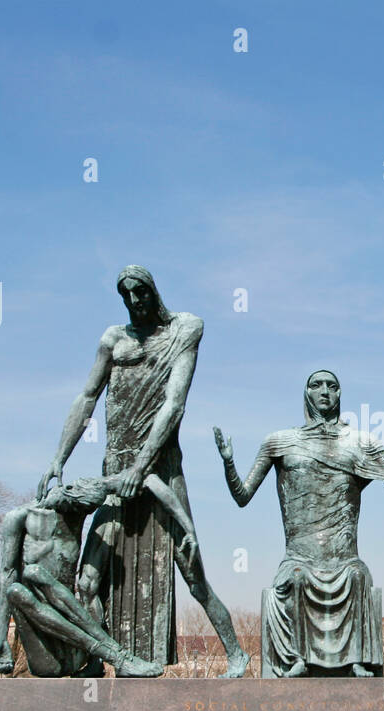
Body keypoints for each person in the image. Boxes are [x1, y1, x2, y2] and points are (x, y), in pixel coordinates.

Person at [37, 266, 248, 677]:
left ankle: (237, 653)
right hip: (115, 469)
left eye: (141, 293)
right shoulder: (112, 339)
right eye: (127, 295)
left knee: (192, 570)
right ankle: (93, 661)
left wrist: (141, 464)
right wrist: (58, 459)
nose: (135, 301)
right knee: (88, 579)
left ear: (154, 292)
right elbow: (86, 397)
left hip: (160, 468)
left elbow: (174, 403)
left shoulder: (184, 329)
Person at [213, 370, 384, 677]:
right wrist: (228, 461)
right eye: (316, 385)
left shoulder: (361, 443)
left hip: (343, 559)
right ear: (306, 393)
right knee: (295, 579)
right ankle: (297, 659)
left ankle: (355, 663)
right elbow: (242, 496)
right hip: (300, 557)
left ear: (340, 395)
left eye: (332, 386)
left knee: (357, 577)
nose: (324, 391)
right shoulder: (280, 441)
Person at [0, 476, 174, 678]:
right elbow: (6, 574)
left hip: (75, 636)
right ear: (68, 492)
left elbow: (142, 477)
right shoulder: (18, 517)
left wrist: (142, 470)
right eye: (79, 509)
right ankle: (118, 657)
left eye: (86, 512)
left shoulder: (77, 509)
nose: (80, 516)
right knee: (20, 585)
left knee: (82, 583)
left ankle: (102, 660)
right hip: (46, 654)